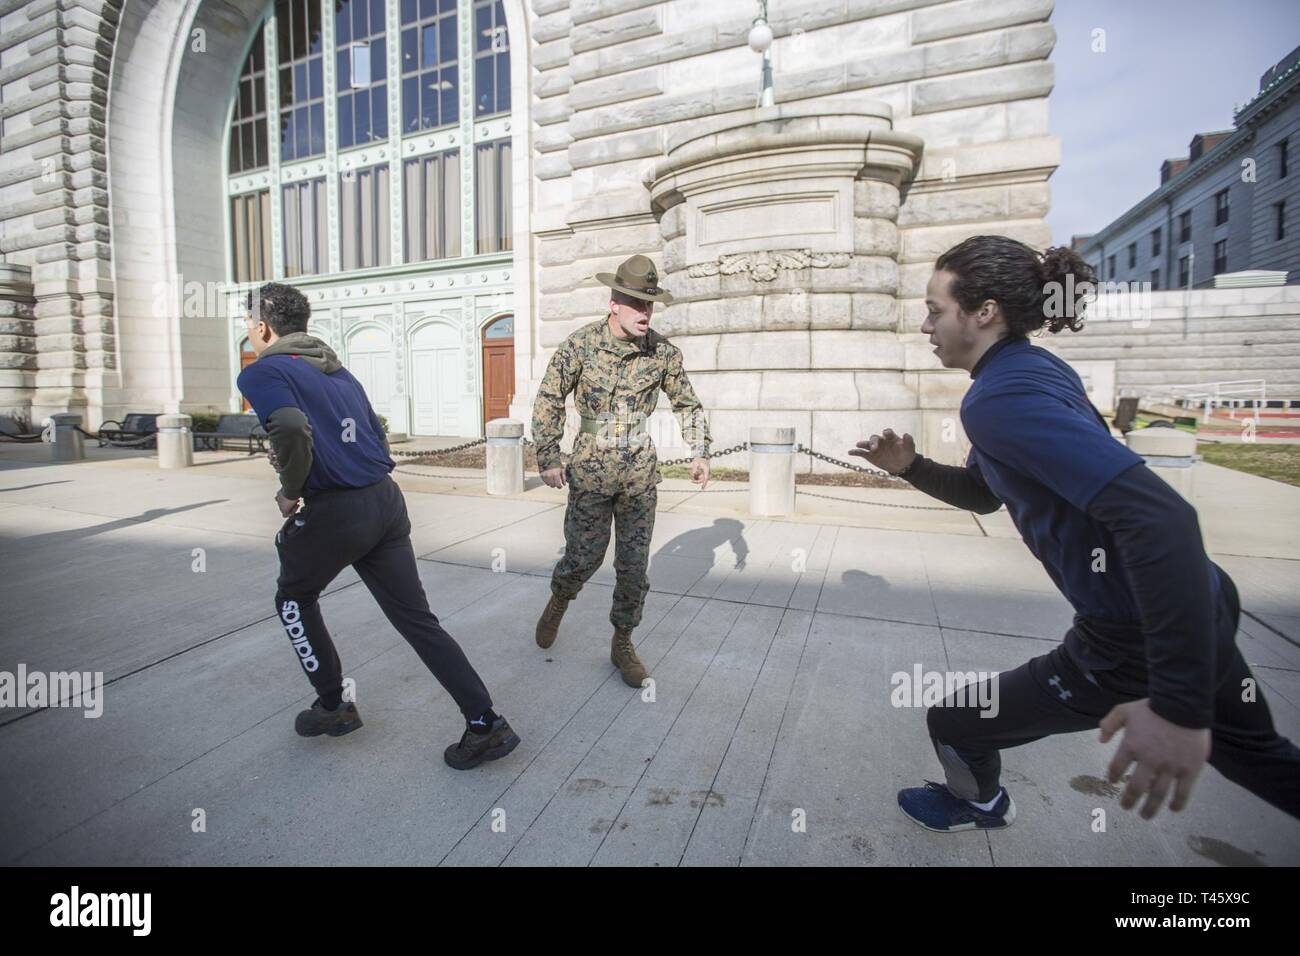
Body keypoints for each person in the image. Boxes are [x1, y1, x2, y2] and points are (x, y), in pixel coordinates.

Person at [851, 235, 1300, 831]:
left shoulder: (999, 398)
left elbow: (1161, 517)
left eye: (935, 309)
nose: (926, 325)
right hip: (1198, 599)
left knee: (956, 721)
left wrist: (1176, 707)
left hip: (1133, 637)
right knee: (1259, 757)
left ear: (983, 311)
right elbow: (987, 495)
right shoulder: (1027, 371)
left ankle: (977, 803)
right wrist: (911, 468)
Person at [237, 282, 519, 770]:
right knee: (417, 619)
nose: (248, 332)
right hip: (385, 502)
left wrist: (290, 488)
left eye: (248, 324)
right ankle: (485, 723)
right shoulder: (340, 372)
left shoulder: (263, 373)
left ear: (262, 327)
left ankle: (333, 706)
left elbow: (287, 426)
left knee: (293, 599)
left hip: (334, 512)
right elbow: (376, 431)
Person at [531, 255, 712, 686]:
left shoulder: (664, 353)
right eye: (636, 304)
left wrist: (700, 449)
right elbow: (548, 399)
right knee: (582, 558)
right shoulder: (581, 345)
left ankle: (623, 642)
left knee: (633, 568)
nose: (645, 313)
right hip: (591, 473)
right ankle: (559, 599)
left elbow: (687, 404)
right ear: (614, 302)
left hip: (639, 478)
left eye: (650, 305)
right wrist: (548, 455)